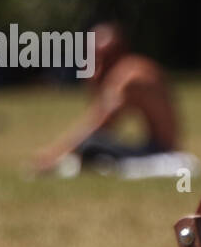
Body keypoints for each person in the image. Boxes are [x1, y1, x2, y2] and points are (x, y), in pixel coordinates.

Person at [31, 22, 180, 175]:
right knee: (93, 144)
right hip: (159, 147)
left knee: (91, 145)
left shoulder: (129, 80)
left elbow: (101, 123)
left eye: (102, 60)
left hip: (160, 151)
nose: (96, 69)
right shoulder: (134, 69)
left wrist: (55, 155)